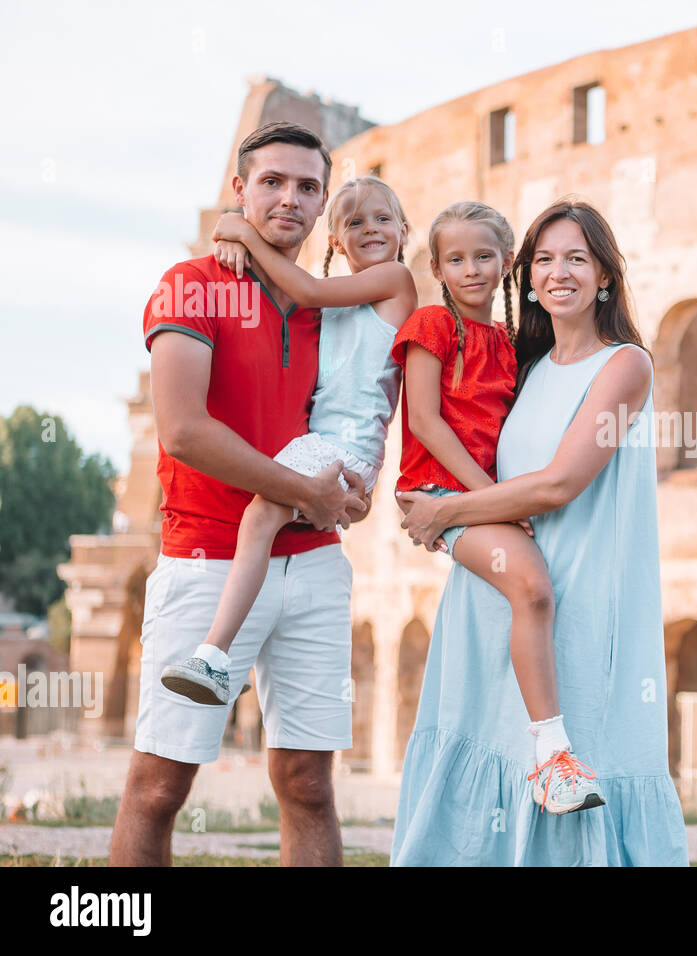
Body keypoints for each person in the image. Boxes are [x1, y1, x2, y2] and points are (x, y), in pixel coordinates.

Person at [390, 198, 690, 865]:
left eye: (577, 259)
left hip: (579, 596)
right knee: (486, 758)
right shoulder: (521, 367)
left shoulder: (625, 365)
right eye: (545, 260)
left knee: (577, 762)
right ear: (525, 279)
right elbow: (431, 417)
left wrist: (442, 515)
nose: (559, 273)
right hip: (495, 596)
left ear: (605, 276)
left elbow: (559, 485)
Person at [110, 122, 368, 867]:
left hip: (316, 565)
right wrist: (305, 492)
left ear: (324, 203)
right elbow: (186, 429)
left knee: (309, 785)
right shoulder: (190, 286)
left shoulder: (333, 308)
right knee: (158, 786)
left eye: (308, 186)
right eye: (272, 182)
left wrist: (352, 491)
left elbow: (360, 415)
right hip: (206, 558)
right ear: (240, 191)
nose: (291, 197)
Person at [158, 175, 415, 706]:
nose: (371, 229)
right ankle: (233, 653)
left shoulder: (395, 281)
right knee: (262, 525)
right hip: (329, 443)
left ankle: (215, 654)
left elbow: (308, 288)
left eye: (383, 219)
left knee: (256, 519)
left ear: (404, 230)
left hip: (344, 445)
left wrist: (243, 235)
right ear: (336, 241)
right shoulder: (340, 307)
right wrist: (234, 241)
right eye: (355, 222)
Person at [392, 201, 603, 814]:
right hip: (442, 495)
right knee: (533, 588)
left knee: (535, 594)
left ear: (507, 262)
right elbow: (427, 423)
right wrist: (487, 500)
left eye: (484, 256)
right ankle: (552, 758)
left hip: (480, 499)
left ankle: (537, 757)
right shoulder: (432, 324)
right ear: (435, 267)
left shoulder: (509, 344)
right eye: (455, 259)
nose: (471, 270)